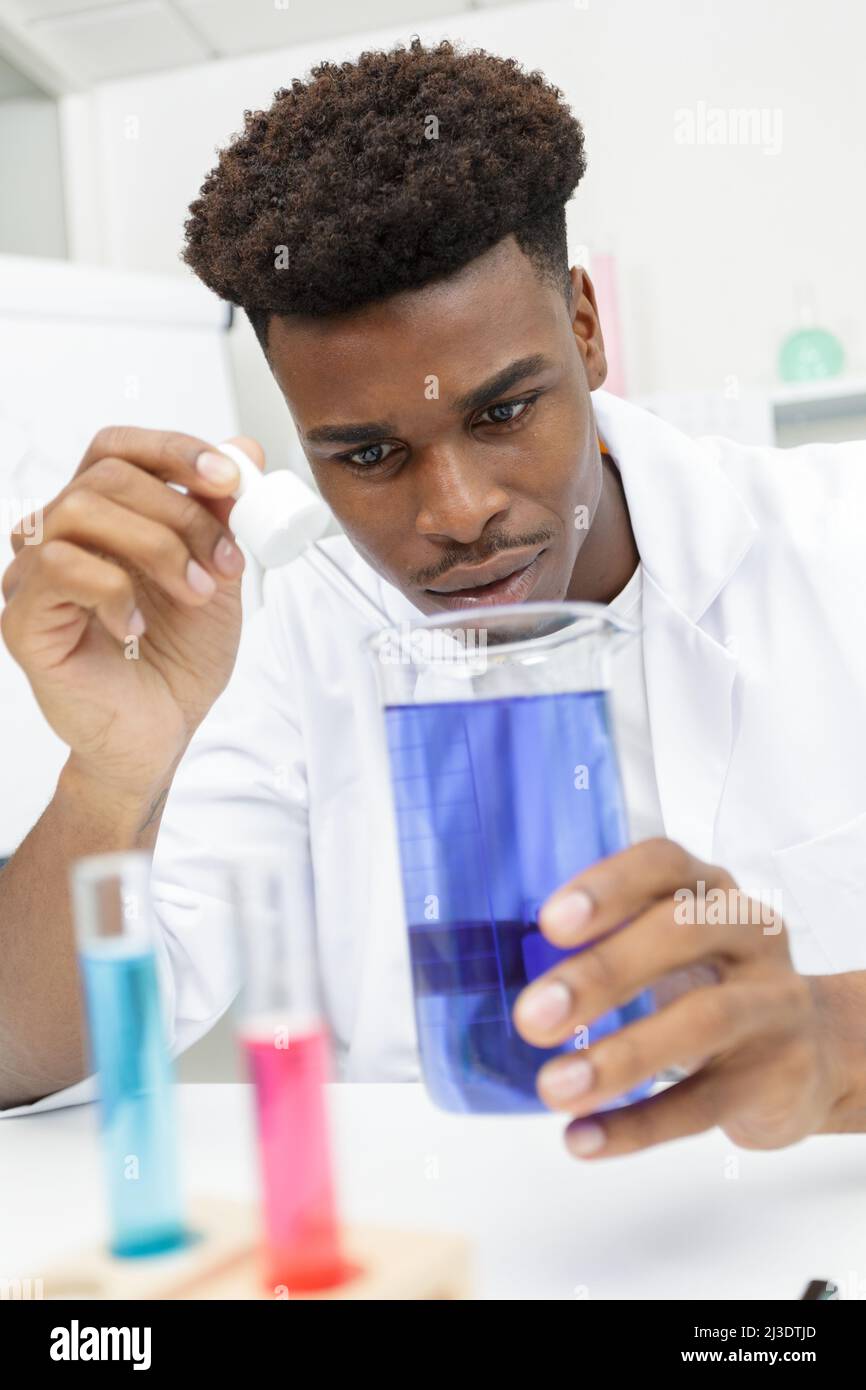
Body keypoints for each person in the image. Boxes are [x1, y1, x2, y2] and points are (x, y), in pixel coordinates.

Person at [2, 40, 865, 1158]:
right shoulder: (286, 631)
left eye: (501, 412)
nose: (455, 512)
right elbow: (22, 1057)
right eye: (367, 454)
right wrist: (111, 777)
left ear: (587, 331)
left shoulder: (834, 543)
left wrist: (831, 1034)